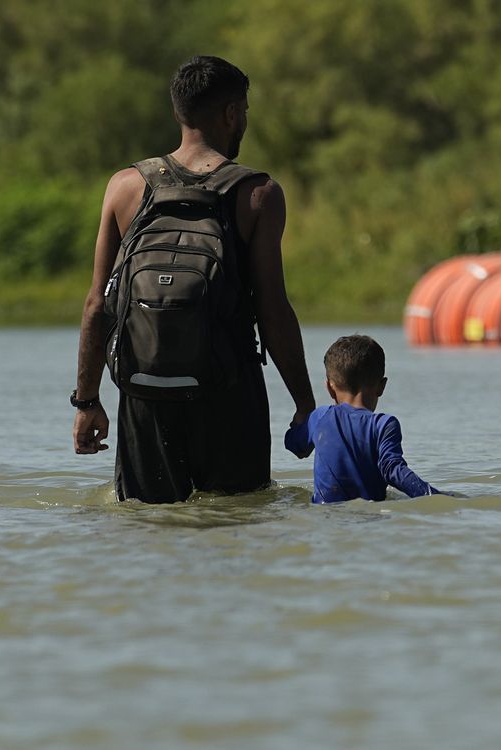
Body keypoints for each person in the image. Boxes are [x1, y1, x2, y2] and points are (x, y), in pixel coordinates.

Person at [72, 55, 316, 503]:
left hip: (144, 393)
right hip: (229, 392)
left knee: (148, 524)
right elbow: (272, 309)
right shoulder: (258, 194)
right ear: (231, 113)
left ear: (178, 111)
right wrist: (305, 404)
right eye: (243, 110)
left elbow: (96, 305)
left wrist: (87, 402)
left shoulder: (125, 186)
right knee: (237, 515)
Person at [284, 334, 442, 503]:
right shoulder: (384, 425)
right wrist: (436, 497)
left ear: (330, 388)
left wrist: (300, 421)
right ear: (381, 387)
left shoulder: (320, 417)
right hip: (370, 519)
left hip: (326, 517)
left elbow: (296, 446)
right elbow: (392, 470)